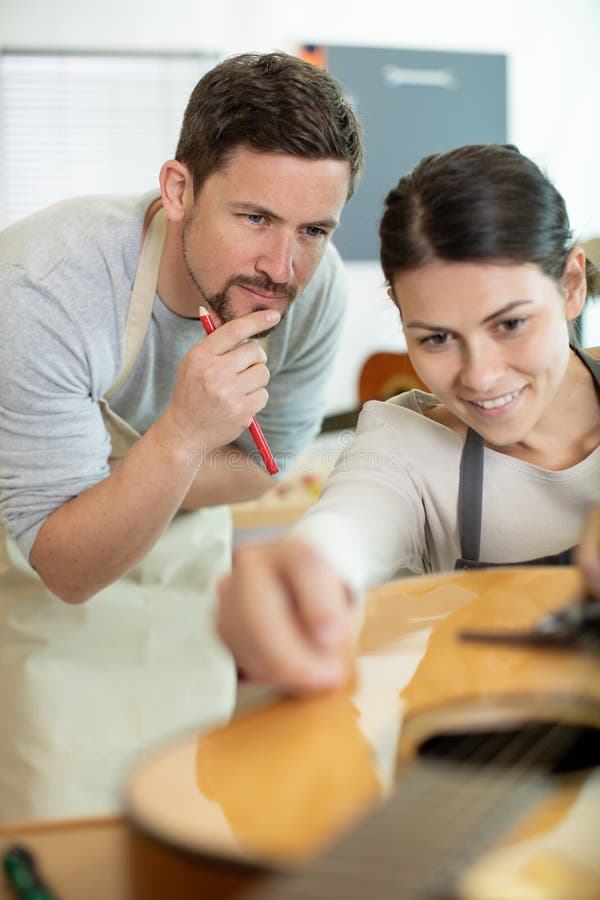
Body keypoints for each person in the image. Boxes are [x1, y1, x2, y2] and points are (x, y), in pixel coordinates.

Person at [0, 51, 363, 821]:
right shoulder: (43, 290)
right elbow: (65, 565)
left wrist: (117, 482)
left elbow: (268, 466)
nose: (281, 266)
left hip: (179, 613)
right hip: (35, 606)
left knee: (186, 818)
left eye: (315, 229)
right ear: (179, 191)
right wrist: (183, 436)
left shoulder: (314, 285)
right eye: (256, 218)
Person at [218, 143, 600, 692]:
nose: (482, 376)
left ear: (571, 287)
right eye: (438, 338)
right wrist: (306, 575)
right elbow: (350, 526)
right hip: (474, 768)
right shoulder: (404, 444)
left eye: (510, 324)